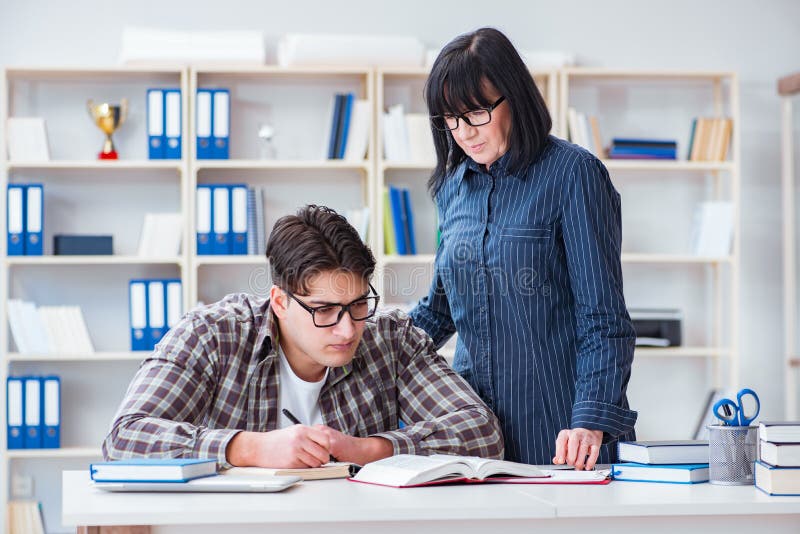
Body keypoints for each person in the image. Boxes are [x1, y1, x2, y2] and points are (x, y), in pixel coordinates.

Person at [103, 205, 503, 468]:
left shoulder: (392, 339)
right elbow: (124, 438)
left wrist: (370, 449)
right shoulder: (211, 335)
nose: (348, 330)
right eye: (325, 311)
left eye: (359, 304)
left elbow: (481, 432)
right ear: (280, 301)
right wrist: (251, 448)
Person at [408, 27, 637, 469]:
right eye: (449, 120)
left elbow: (604, 319)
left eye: (474, 114)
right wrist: (360, 345)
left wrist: (590, 419)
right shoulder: (453, 190)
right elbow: (440, 311)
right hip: (476, 435)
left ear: (514, 96)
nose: (463, 133)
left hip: (565, 436)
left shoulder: (574, 175)